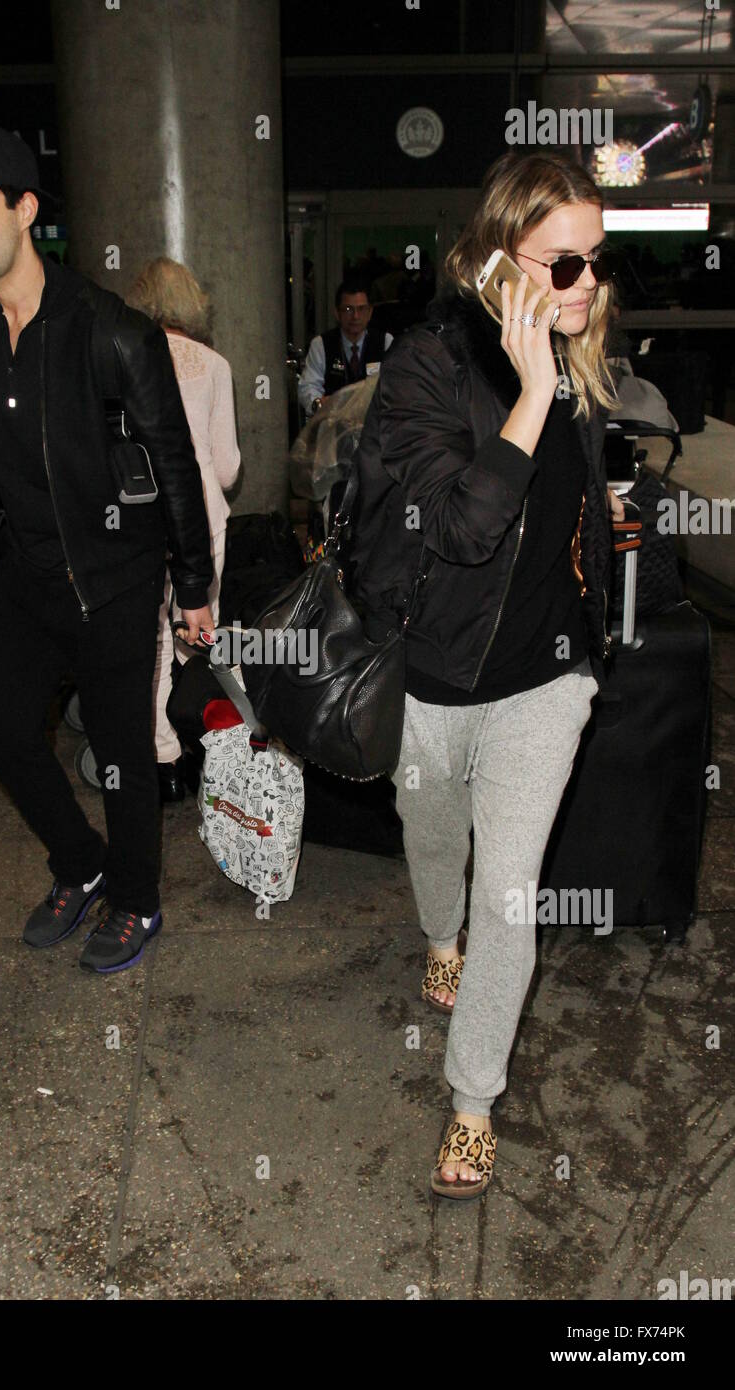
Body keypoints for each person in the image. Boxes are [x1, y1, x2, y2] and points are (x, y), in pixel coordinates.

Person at [350, 150, 622, 1199]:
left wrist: (590, 634)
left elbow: (574, 509)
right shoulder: (424, 365)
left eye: (593, 263)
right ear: (497, 258)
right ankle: (434, 935)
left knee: (509, 893)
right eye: (561, 266)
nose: (584, 286)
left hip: (544, 680)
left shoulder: (579, 351)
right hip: (432, 675)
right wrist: (531, 394)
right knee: (435, 845)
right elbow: (460, 529)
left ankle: (470, 1101)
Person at [0, 126, 214, 975]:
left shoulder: (110, 329)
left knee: (124, 753)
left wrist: (192, 583)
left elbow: (175, 463)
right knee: (1, 735)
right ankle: (79, 863)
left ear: (23, 209)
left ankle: (134, 898)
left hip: (116, 577)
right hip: (22, 569)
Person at [126, 258, 241, 802]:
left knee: (150, 642)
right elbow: (226, 470)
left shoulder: (123, 357)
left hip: (142, 523)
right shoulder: (214, 364)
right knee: (198, 636)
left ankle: (163, 757)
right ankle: (210, 747)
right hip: (204, 520)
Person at [297, 277, 393, 418]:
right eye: (348, 309)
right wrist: (317, 403)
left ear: (370, 312)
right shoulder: (321, 344)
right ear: (337, 313)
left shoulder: (385, 341)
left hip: (373, 424)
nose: (355, 316)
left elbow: (394, 385)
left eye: (361, 309)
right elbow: (308, 385)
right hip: (333, 424)